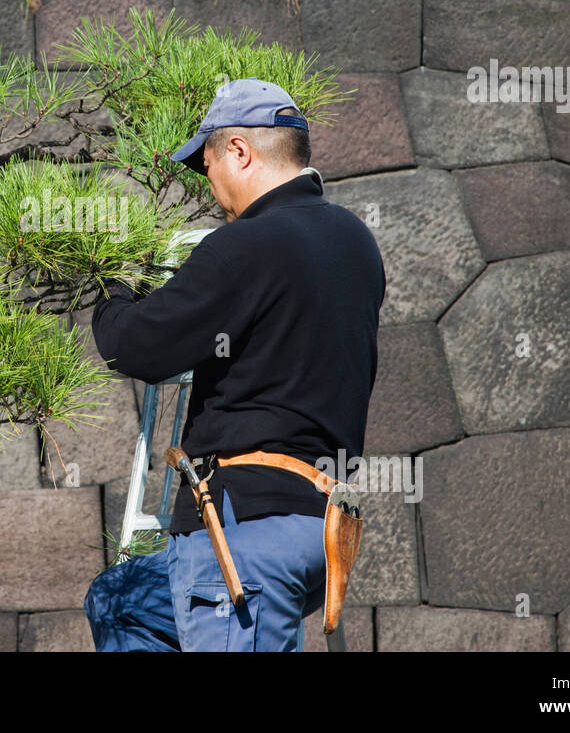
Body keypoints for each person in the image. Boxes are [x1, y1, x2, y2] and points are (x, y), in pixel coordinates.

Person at [83, 77, 386, 652]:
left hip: (241, 535)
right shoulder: (355, 242)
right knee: (118, 598)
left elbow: (139, 346)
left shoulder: (247, 244)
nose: (211, 186)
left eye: (207, 164)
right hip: (318, 529)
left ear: (240, 152)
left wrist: (113, 284)